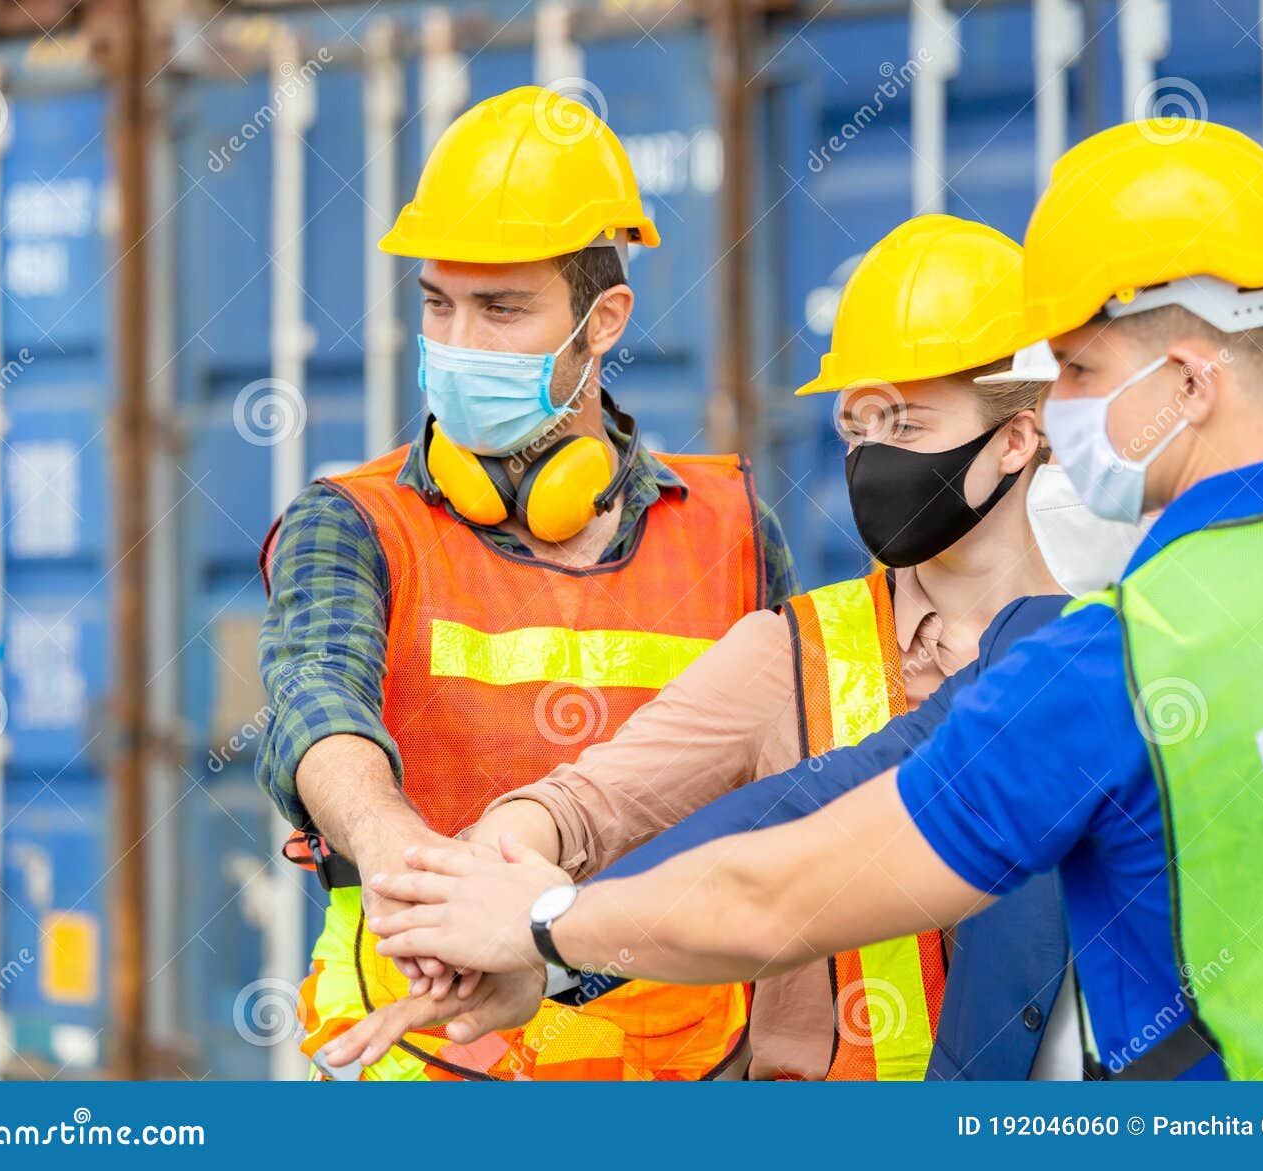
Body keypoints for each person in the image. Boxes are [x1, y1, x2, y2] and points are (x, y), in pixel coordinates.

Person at [351, 119, 1263, 1081]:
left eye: (1074, 371)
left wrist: (546, 934)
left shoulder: (1119, 660)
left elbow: (779, 893)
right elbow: (816, 791)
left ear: (1184, 385)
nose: (1054, 408)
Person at [325, 215, 1152, 1080]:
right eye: (855, 425)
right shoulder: (788, 655)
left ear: (1016, 440)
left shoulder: (1113, 654)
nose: (872, 456)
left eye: (904, 425)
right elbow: (594, 803)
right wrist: (492, 885)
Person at [254, 85, 798, 1082]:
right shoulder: (354, 521)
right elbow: (312, 694)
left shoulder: (730, 530)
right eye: (436, 304)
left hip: (693, 1063)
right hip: (425, 1048)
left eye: (500, 308)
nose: (457, 342)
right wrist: (386, 841)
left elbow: (793, 793)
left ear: (603, 321)